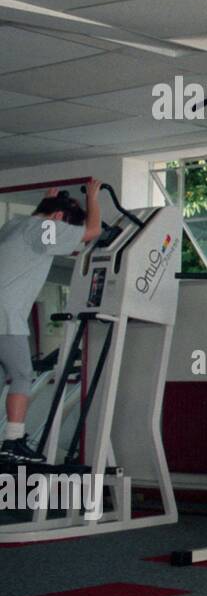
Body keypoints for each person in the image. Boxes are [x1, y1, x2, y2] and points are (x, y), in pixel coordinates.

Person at [0, 181, 102, 463]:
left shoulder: (15, 225)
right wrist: (93, 197)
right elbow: (93, 231)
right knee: (21, 375)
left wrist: (49, 201)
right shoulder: (43, 229)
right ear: (58, 220)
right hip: (5, 318)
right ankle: (13, 442)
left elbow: (42, 222)